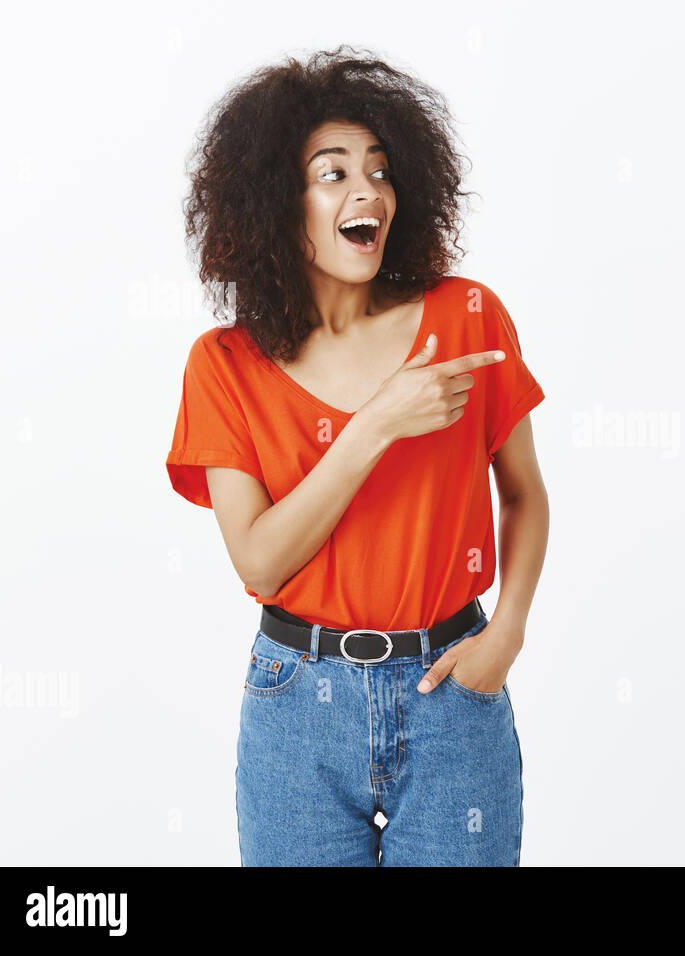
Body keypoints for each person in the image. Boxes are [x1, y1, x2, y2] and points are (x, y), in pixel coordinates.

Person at [165, 46, 549, 866]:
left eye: (379, 170)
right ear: (277, 203)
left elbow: (523, 494)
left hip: (452, 689)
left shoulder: (467, 317)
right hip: (295, 705)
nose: (366, 191)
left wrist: (506, 634)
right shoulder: (222, 365)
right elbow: (262, 560)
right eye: (332, 174)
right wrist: (377, 423)